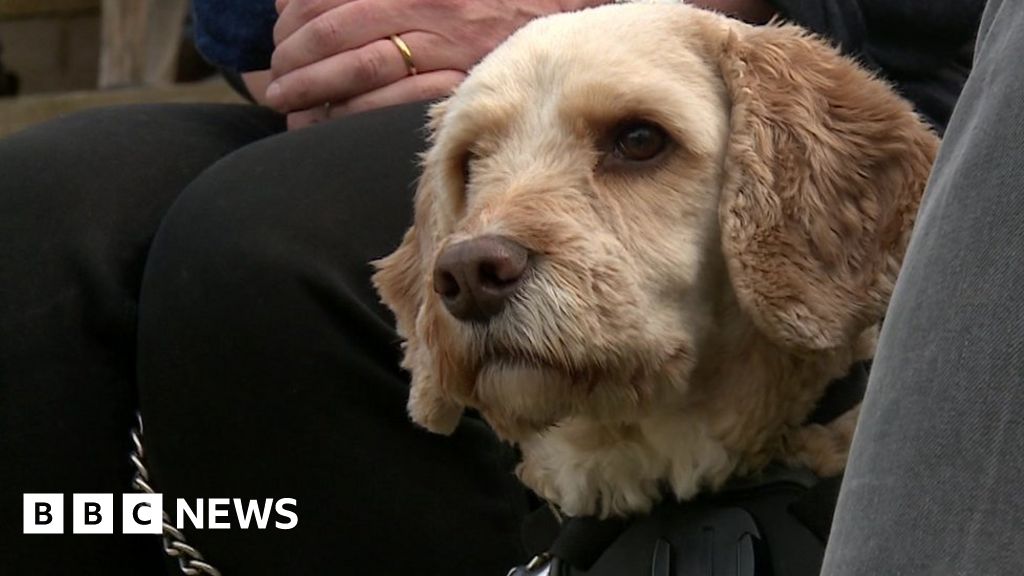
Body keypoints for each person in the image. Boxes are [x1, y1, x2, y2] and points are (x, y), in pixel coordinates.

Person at [0, 1, 981, 574]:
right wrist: (317, 42)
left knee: (259, 247)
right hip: (417, 90)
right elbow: (233, 22)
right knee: (42, 212)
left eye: (635, 146)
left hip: (791, 42)